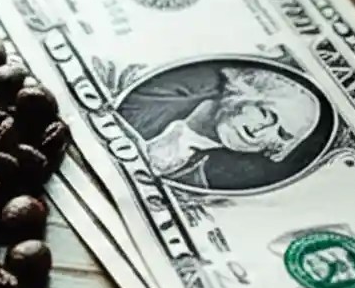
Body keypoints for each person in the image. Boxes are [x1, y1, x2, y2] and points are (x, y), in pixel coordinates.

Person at [119, 60, 326, 190]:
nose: (261, 131)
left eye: (281, 134)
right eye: (266, 114)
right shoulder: (154, 98)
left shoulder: (199, 183)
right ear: (245, 96)